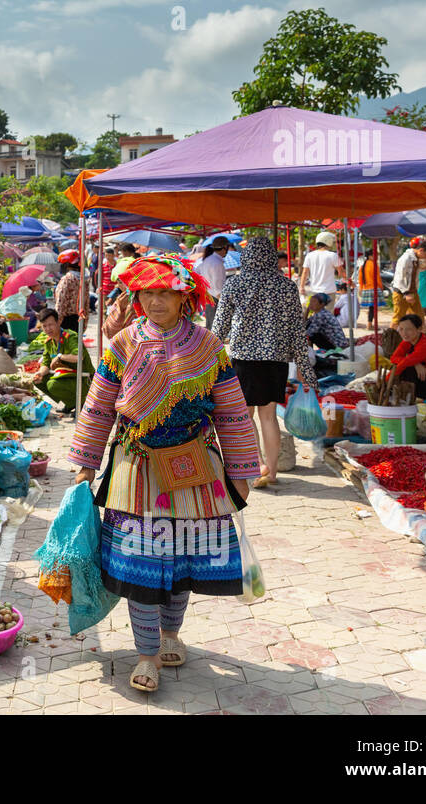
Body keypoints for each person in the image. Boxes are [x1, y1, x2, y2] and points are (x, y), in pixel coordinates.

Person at [69, 254, 259, 695]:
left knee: (184, 558)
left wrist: (243, 469)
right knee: (141, 564)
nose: (156, 301)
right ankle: (146, 655)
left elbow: (232, 412)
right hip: (136, 470)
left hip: (197, 468)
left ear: (184, 295)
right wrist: (85, 463)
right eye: (148, 292)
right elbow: (98, 408)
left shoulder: (210, 347)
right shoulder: (122, 345)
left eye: (165, 292)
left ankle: (172, 634)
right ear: (137, 297)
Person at [213, 237, 316, 489]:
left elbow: (219, 326)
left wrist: (204, 357)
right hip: (276, 359)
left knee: (245, 416)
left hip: (243, 360)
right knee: (269, 417)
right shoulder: (287, 286)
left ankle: (256, 465)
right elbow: (296, 330)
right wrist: (306, 369)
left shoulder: (234, 284)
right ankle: (271, 472)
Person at [33, 307, 93, 413]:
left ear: (59, 322)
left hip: (83, 378)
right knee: (38, 381)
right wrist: (40, 373)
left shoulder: (70, 337)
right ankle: (70, 403)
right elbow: (46, 363)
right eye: (44, 326)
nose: (48, 329)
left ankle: (81, 403)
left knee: (53, 385)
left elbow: (78, 357)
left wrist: (60, 356)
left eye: (50, 324)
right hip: (66, 376)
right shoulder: (49, 342)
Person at [391, 240, 426, 326]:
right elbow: (399, 278)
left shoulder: (416, 259)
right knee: (398, 319)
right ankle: (390, 338)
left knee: (420, 319)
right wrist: (406, 293)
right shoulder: (406, 259)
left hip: (413, 293)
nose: (425, 258)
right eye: (425, 255)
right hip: (401, 293)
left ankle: (422, 338)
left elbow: (418, 270)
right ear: (421, 250)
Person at [298, 231, 345, 302]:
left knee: (316, 312)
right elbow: (341, 271)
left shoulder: (309, 255)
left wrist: (301, 287)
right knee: (328, 312)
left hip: (314, 291)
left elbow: (304, 273)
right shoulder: (332, 255)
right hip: (329, 291)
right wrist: (348, 280)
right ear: (328, 241)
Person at [197, 237, 230, 330]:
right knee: (215, 329)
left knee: (210, 326)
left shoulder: (208, 260)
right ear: (224, 248)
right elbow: (218, 288)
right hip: (215, 299)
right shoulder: (217, 263)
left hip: (208, 296)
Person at [55, 250, 83, 332]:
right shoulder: (83, 279)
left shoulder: (67, 279)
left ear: (67, 264)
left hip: (65, 320)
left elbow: (61, 301)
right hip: (78, 318)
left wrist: (57, 321)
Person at [357, 250, 383, 329]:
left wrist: (361, 288)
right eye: (375, 255)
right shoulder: (374, 265)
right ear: (370, 256)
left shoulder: (363, 266)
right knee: (374, 308)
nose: (377, 257)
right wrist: (381, 287)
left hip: (366, 289)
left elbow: (360, 279)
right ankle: (372, 325)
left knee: (370, 308)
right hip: (374, 288)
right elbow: (377, 278)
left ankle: (369, 324)